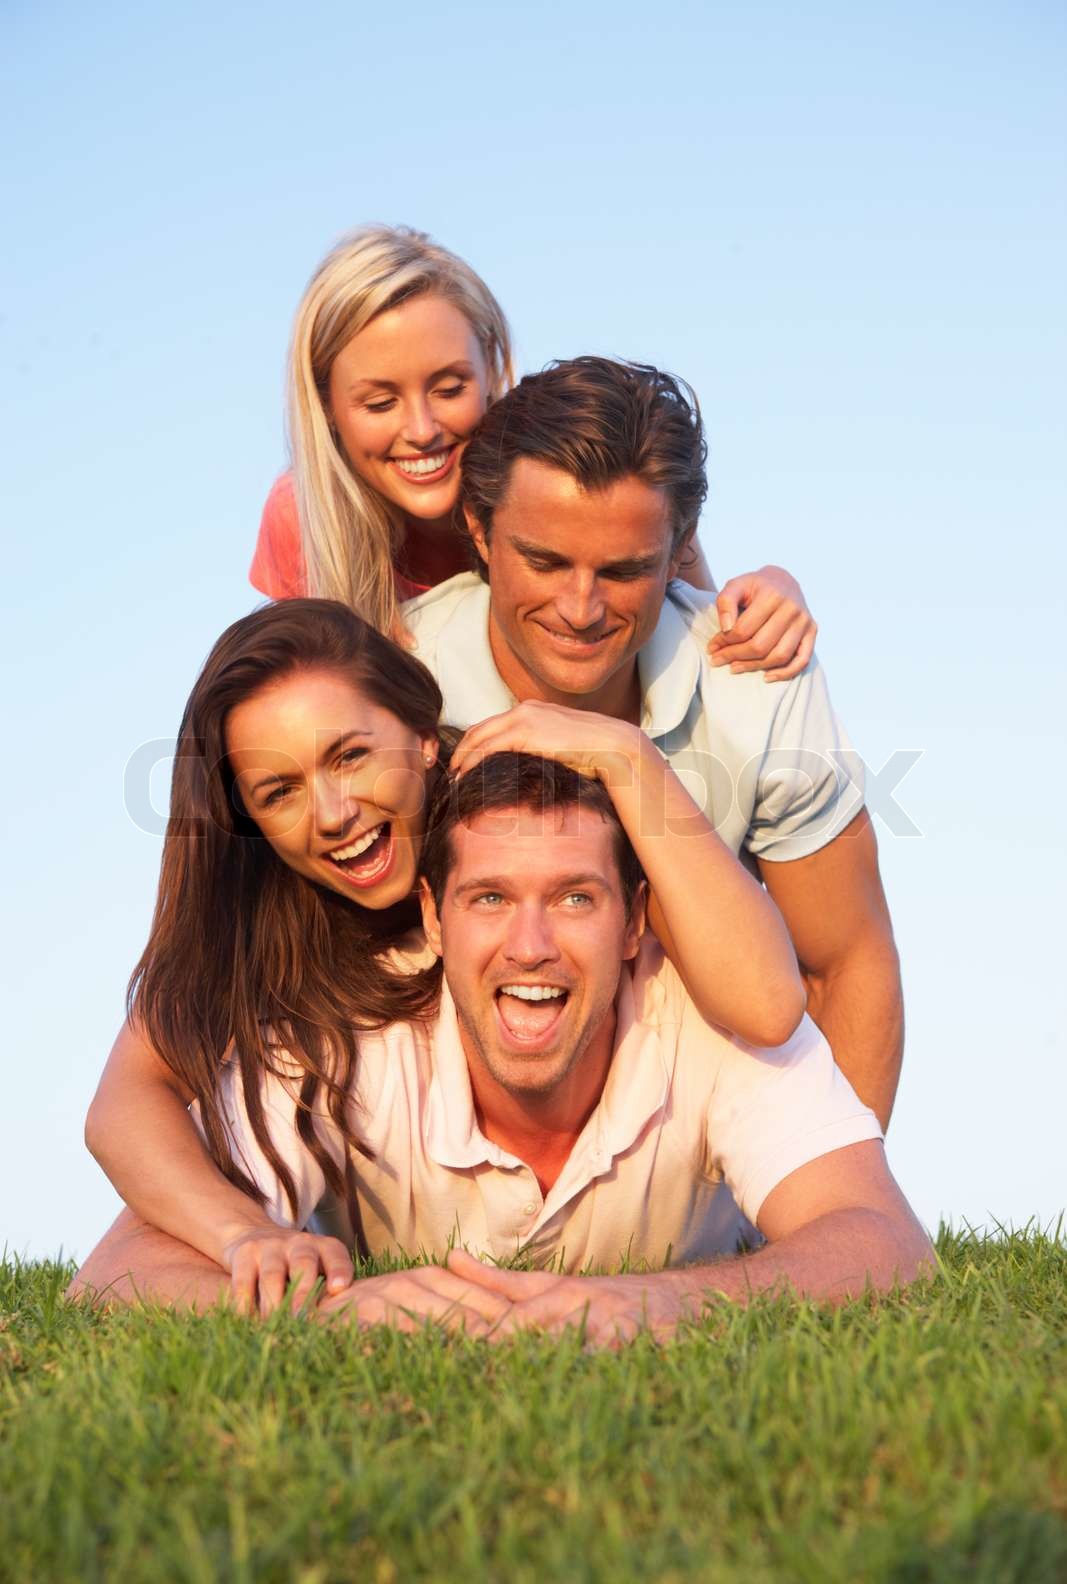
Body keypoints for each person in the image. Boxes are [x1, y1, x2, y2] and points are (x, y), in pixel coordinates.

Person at [70, 755, 931, 1345]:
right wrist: (331, 1317)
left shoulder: (711, 1010)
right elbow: (117, 1273)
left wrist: (660, 1301)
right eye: (488, 898)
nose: (529, 946)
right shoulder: (345, 1032)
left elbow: (884, 1241)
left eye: (573, 898)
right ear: (433, 919)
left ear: (634, 921)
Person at [84, 599, 804, 1302]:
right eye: (280, 792)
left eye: (351, 755)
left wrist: (623, 750)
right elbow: (124, 1104)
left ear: (425, 737)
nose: (334, 814)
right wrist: (243, 1234)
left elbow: (768, 1007)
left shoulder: (532, 820)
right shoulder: (266, 923)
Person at [403, 357, 903, 1131]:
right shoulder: (400, 679)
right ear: (477, 530)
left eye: (623, 570)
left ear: (678, 553)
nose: (579, 608)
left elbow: (845, 965)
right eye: (543, 561)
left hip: (687, 1076)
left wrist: (840, 1211)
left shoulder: (758, 683)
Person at [249, 223, 818, 679]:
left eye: (450, 389)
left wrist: (773, 590)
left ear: (491, 365)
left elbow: (698, 630)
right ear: (326, 406)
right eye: (379, 403)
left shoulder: (564, 473)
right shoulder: (300, 516)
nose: (421, 429)